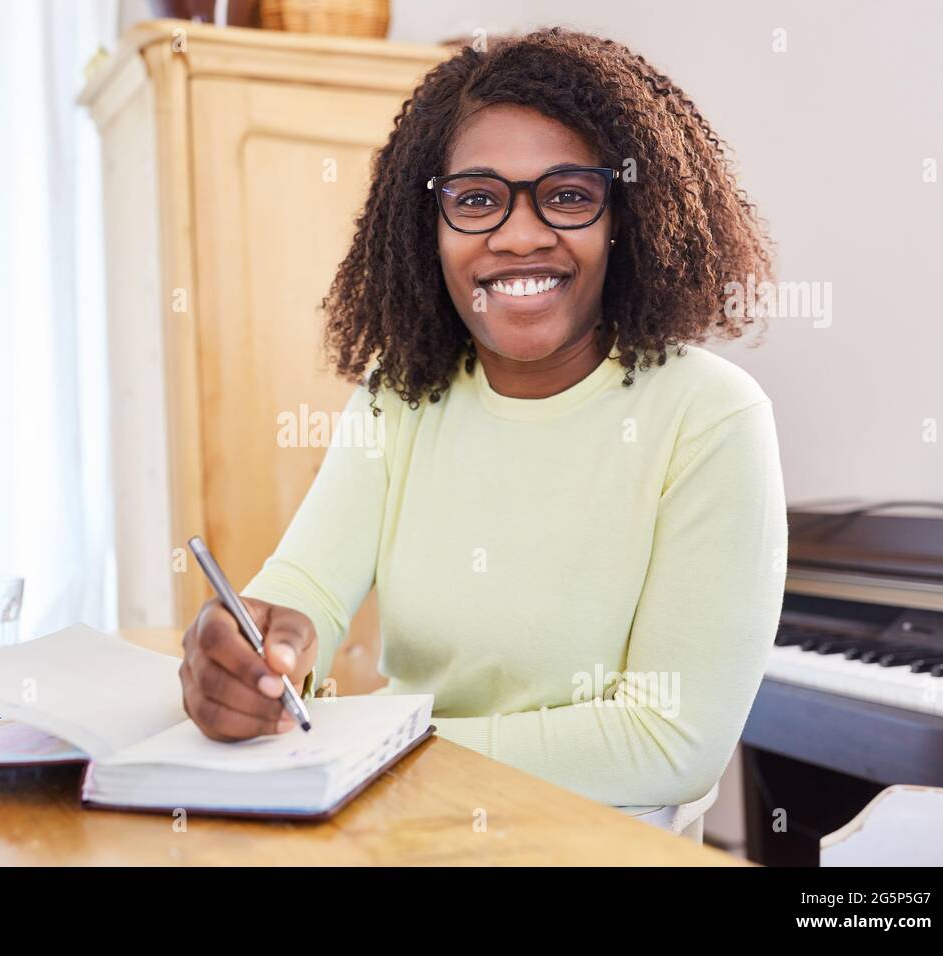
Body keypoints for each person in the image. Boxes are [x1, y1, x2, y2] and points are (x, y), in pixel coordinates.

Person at [178, 27, 787, 807]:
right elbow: (306, 592)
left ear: (622, 218)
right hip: (405, 836)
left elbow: (667, 743)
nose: (520, 234)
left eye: (568, 195)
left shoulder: (710, 417)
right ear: (426, 230)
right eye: (475, 200)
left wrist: (369, 743)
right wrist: (256, 651)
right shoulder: (400, 393)